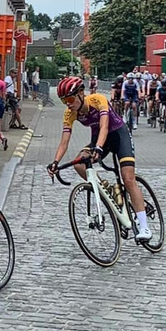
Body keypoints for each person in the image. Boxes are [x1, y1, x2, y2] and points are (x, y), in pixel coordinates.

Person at [46, 76, 151, 242]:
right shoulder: (69, 113)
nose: (68, 103)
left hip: (118, 136)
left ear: (81, 93)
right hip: (98, 140)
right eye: (63, 100)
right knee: (79, 164)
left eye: (70, 98)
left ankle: (145, 227)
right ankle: (106, 189)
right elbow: (64, 141)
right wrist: (55, 162)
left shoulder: (97, 100)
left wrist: (99, 148)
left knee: (128, 179)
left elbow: (104, 126)